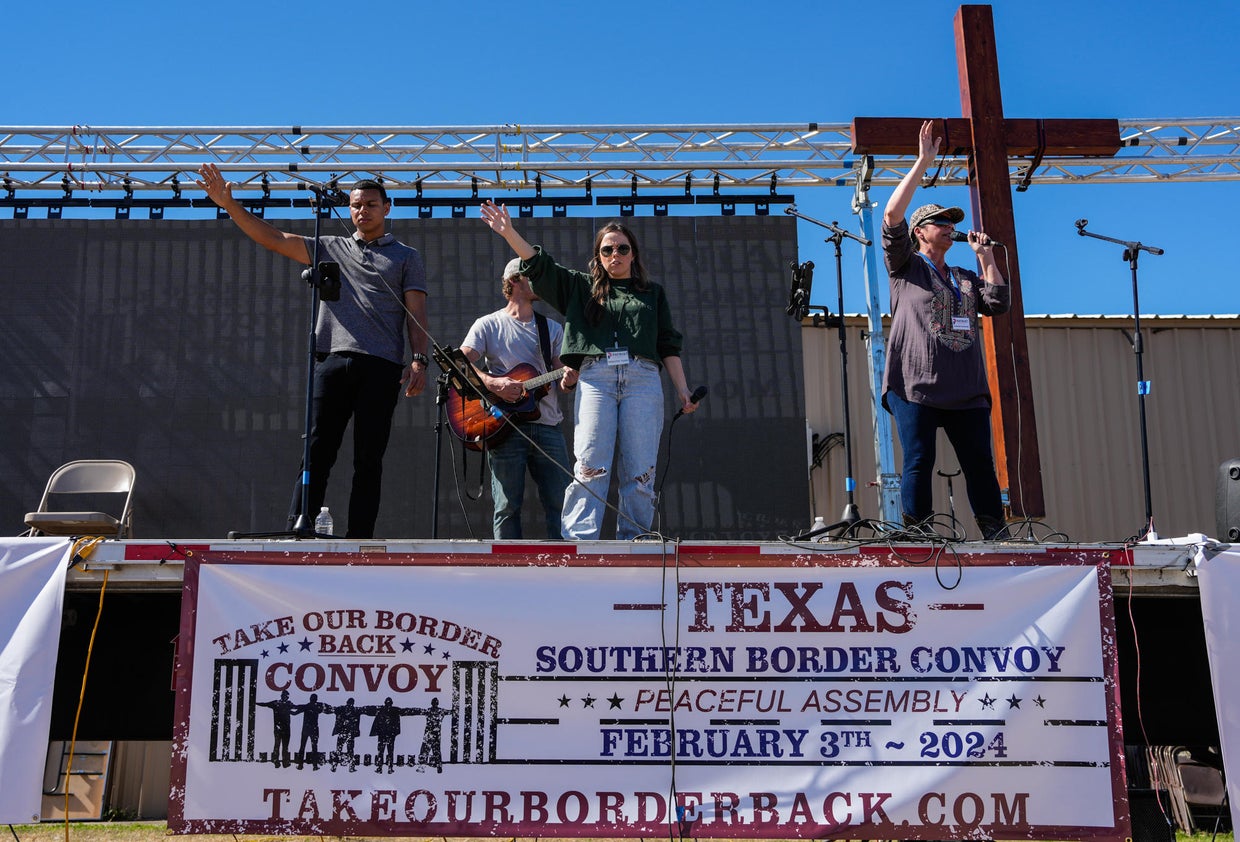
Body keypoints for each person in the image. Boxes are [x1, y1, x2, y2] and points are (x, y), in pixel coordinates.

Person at [198, 164, 429, 539]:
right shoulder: (329, 245)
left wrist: (419, 360)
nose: (362, 211)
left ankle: (360, 540)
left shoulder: (406, 256)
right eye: (356, 205)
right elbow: (275, 238)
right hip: (331, 359)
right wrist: (230, 205)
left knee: (368, 458)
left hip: (381, 365)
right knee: (317, 451)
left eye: (371, 204)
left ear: (387, 208)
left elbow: (416, 314)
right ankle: (298, 530)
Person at [480, 202, 697, 540]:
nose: (615, 255)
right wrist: (509, 232)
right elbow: (541, 266)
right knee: (590, 465)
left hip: (643, 379)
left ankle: (636, 540)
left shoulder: (653, 293)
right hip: (597, 378)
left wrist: (683, 390)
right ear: (598, 257)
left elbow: (668, 344)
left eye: (622, 248)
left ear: (633, 255)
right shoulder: (582, 288)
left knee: (641, 471)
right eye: (607, 250)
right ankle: (580, 544)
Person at [881, 120, 1010, 540]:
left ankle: (995, 534)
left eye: (951, 222)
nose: (949, 226)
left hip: (965, 389)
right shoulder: (906, 266)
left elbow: (998, 303)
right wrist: (923, 162)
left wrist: (985, 257)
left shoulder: (963, 276)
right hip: (915, 384)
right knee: (919, 460)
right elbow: (891, 216)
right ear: (919, 232)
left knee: (980, 465)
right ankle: (917, 535)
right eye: (940, 221)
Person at [460, 258, 578, 538]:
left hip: (548, 426)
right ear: (514, 281)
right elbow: (459, 363)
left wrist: (570, 379)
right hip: (505, 426)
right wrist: (493, 383)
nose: (541, 282)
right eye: (532, 276)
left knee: (561, 504)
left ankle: (563, 563)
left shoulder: (552, 328)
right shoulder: (488, 325)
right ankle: (505, 564)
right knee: (506, 506)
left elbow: (563, 381)